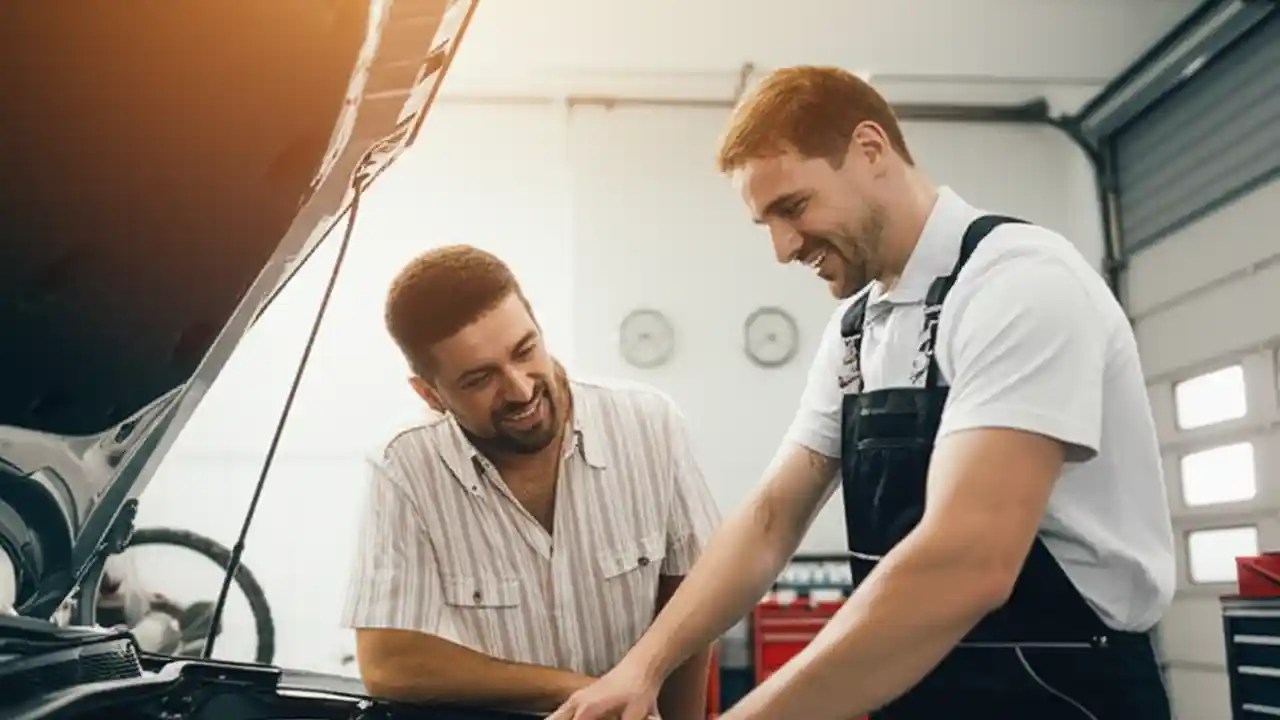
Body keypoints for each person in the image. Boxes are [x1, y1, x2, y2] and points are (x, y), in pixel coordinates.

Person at [550, 66, 1176, 720]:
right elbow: (770, 520)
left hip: (1062, 694)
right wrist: (639, 669)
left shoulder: (1020, 286)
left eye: (792, 208)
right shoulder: (858, 331)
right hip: (919, 692)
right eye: (765, 223)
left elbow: (970, 560)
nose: (784, 248)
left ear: (870, 151)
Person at [340, 245, 721, 718]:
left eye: (525, 351)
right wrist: (580, 691)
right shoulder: (403, 468)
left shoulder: (650, 425)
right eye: (481, 379)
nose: (520, 390)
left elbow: (695, 601)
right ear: (430, 394)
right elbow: (391, 663)